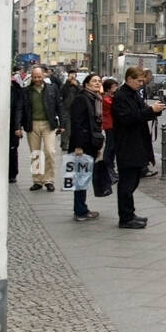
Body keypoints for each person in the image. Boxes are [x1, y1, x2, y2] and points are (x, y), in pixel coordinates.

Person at [112, 65, 165, 228]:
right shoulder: (121, 96)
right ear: (129, 79)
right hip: (127, 144)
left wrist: (156, 110)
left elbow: (141, 112)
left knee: (133, 181)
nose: (141, 84)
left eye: (143, 81)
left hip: (136, 143)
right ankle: (125, 218)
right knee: (127, 183)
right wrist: (150, 111)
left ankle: (130, 213)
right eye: (139, 81)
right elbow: (128, 118)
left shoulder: (133, 94)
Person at [68, 74, 105, 222]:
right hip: (82, 144)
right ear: (86, 84)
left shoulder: (95, 99)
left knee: (84, 177)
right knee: (81, 178)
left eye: (99, 81)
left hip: (91, 143)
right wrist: (78, 146)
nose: (97, 83)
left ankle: (81, 208)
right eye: (94, 81)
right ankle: (80, 211)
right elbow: (77, 123)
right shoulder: (82, 99)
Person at [20, 65, 63, 192]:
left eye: (39, 76)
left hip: (48, 124)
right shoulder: (26, 91)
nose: (37, 79)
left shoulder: (52, 89)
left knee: (50, 151)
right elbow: (20, 108)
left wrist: (63, 124)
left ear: (43, 76)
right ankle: (38, 180)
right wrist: (18, 126)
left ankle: (49, 179)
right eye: (35, 77)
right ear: (31, 77)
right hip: (32, 124)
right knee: (36, 153)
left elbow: (59, 106)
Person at [101, 77, 119, 184]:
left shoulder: (110, 97)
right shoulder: (106, 99)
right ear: (108, 89)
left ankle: (111, 167)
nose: (116, 89)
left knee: (112, 148)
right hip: (109, 125)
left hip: (113, 125)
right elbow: (113, 105)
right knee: (110, 147)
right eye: (114, 87)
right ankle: (108, 168)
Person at [8, 71, 25, 184]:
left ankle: (12, 174)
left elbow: (19, 109)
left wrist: (18, 126)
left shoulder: (17, 90)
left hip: (13, 124)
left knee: (12, 149)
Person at [59, 73, 80, 153]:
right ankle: (64, 144)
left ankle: (74, 144)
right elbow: (62, 93)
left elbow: (82, 92)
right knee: (66, 127)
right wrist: (68, 83)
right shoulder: (65, 85)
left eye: (73, 76)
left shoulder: (78, 85)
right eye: (70, 76)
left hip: (77, 109)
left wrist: (76, 85)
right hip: (66, 108)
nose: (72, 78)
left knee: (75, 127)